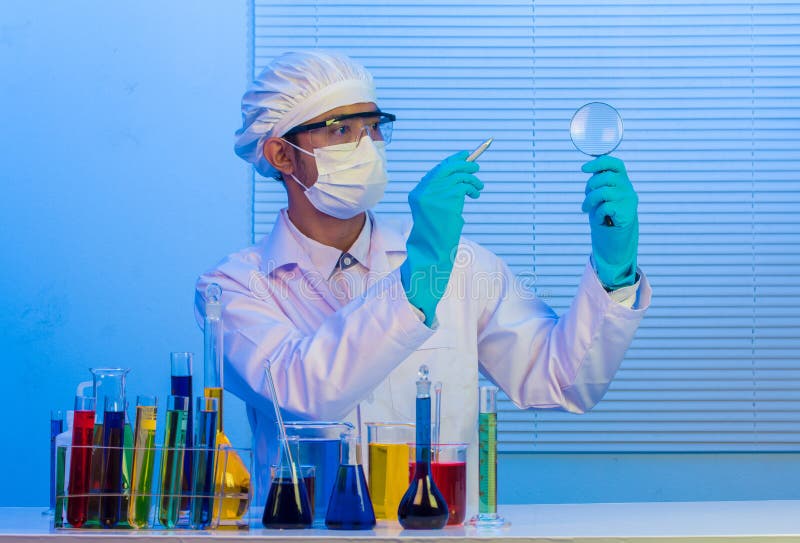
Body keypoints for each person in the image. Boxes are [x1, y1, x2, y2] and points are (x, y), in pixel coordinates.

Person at [194, 50, 651, 505]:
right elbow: (304, 394)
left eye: (374, 127)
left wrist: (614, 273)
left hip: (442, 529)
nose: (368, 146)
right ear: (281, 155)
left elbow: (561, 381)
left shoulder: (461, 263)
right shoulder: (233, 288)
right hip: (308, 531)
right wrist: (419, 277)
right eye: (341, 130)